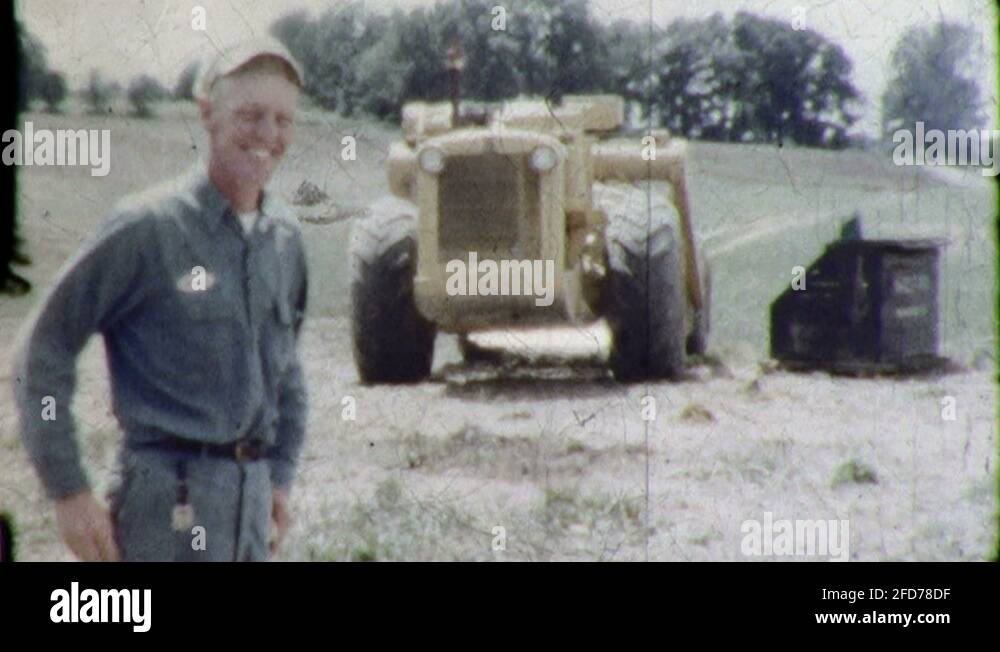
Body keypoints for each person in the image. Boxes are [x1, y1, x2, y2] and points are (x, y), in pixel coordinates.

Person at [12, 39, 309, 561]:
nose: (268, 135)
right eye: (250, 115)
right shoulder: (148, 228)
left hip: (250, 522)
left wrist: (279, 479)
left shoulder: (283, 239)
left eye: (283, 120)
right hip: (163, 515)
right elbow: (42, 347)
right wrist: (68, 492)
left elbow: (288, 379)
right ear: (207, 115)